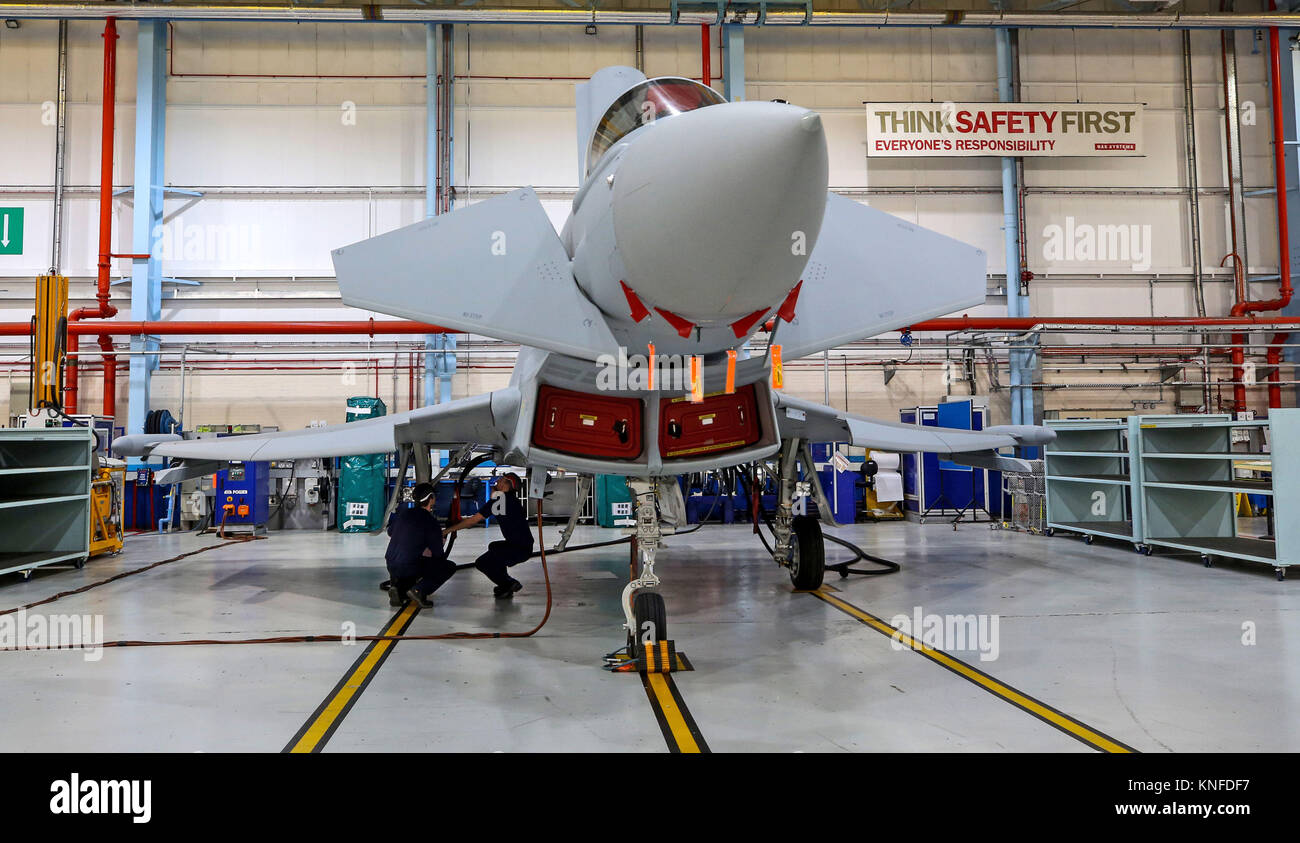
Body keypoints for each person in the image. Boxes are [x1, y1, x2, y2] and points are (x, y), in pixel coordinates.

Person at [445, 471, 535, 599]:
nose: (497, 480)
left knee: (482, 562)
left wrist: (446, 531)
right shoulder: (509, 500)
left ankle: (508, 583)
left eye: (501, 479)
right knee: (494, 547)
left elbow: (472, 521)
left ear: (506, 486)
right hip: (523, 546)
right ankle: (506, 585)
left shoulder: (500, 501)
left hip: (518, 549)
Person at [384, 482, 454, 609]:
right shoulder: (430, 522)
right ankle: (419, 591)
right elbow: (438, 554)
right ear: (431, 498)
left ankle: (398, 589)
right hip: (408, 566)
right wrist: (440, 539)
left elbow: (390, 532)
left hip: (391, 564)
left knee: (412, 563)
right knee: (447, 567)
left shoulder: (405, 514)